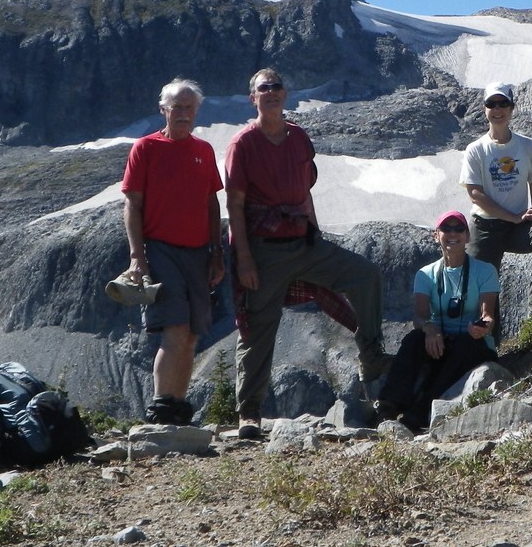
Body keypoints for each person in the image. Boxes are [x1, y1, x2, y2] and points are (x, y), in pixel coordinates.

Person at [224, 68, 391, 440]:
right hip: (264, 252)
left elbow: (305, 191)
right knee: (258, 328)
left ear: (285, 94)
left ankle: (370, 355)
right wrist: (244, 259)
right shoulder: (242, 144)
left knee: (365, 274)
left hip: (303, 242)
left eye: (276, 86)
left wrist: (314, 231)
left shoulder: (299, 137)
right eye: (262, 88)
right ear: (253, 98)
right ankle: (249, 413)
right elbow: (234, 204)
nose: (270, 92)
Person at [120, 78, 225, 425]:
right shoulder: (145, 148)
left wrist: (215, 252)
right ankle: (162, 406)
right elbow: (132, 204)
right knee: (176, 329)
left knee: (193, 333)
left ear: (197, 111)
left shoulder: (203, 151)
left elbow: (211, 202)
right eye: (176, 107)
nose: (183, 113)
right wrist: (138, 256)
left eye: (189, 107)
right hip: (160, 249)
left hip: (198, 253)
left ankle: (177, 406)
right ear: (163, 110)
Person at [376, 211, 500, 432]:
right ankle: (388, 405)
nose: (453, 234)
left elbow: (487, 314)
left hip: (473, 343)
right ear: (436, 235)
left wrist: (482, 327)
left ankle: (421, 413)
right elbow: (420, 316)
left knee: (465, 346)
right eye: (447, 229)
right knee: (414, 339)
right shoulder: (425, 274)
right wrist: (430, 328)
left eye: (458, 229)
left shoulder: (485, 271)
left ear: (467, 236)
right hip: (440, 341)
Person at [459, 83, 532, 315]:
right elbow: (475, 193)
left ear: (512, 107)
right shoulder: (475, 149)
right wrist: (513, 217)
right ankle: (487, 346)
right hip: (485, 228)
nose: (497, 109)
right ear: (484, 109)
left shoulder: (527, 145)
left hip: (518, 227)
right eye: (491, 104)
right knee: (480, 291)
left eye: (503, 103)